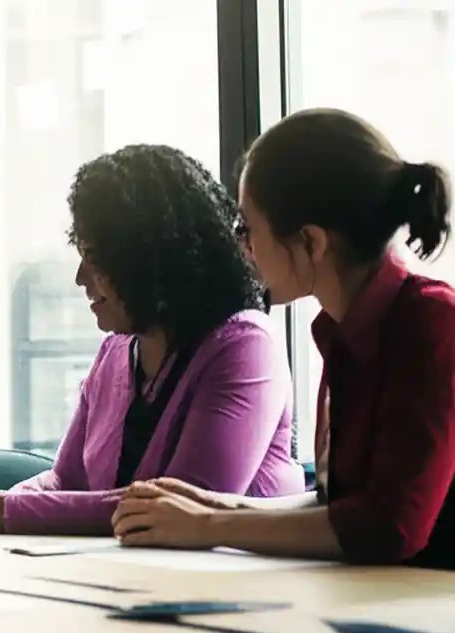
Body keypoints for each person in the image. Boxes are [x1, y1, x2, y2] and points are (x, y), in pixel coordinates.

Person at [113, 109, 454, 570]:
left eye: (247, 229)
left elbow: (388, 525)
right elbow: (338, 507)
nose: (242, 247)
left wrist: (205, 526)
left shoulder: (432, 325)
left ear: (311, 242)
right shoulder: (343, 329)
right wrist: (214, 506)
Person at [0, 145, 304, 534]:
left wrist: (2, 509)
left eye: (96, 259)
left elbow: (183, 504)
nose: (80, 277)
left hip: (238, 590)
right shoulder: (116, 352)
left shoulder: (244, 346)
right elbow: (64, 481)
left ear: (151, 258)